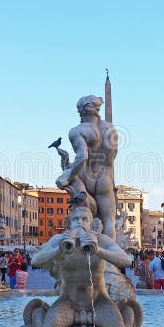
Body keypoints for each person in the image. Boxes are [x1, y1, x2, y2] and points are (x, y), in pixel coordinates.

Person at [55, 95, 119, 241]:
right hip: (105, 177)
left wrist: (68, 176)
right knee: (109, 220)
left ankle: (82, 249)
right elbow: (112, 155)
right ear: (97, 109)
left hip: (87, 177)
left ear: (80, 111)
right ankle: (109, 259)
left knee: (82, 216)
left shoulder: (77, 131)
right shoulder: (111, 129)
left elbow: (82, 157)